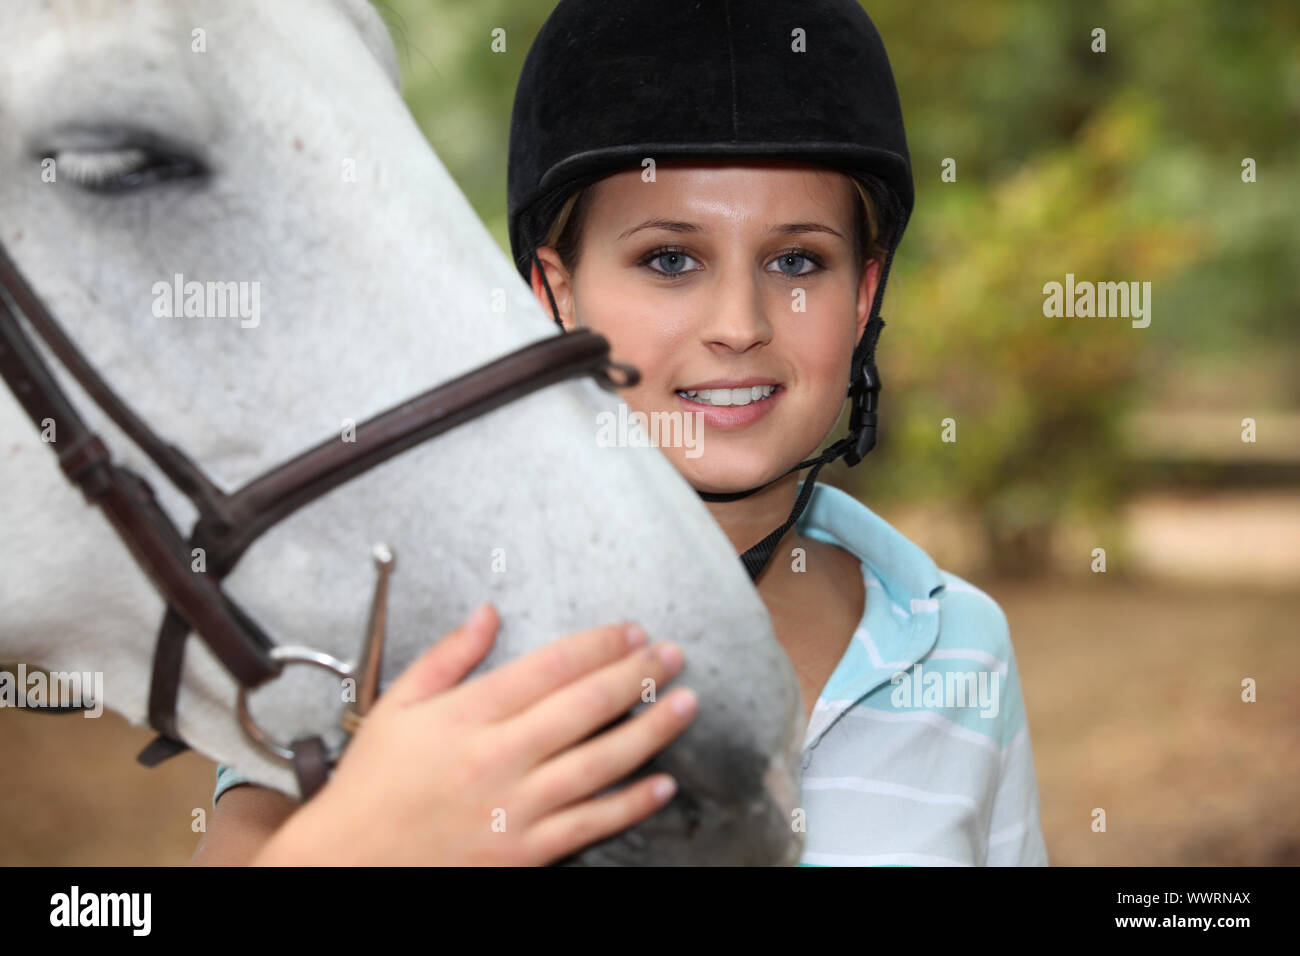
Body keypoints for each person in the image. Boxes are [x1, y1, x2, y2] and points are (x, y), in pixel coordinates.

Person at [196, 0, 1048, 866]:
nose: (739, 324)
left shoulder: (958, 645)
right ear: (556, 293)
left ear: (862, 297)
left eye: (796, 261)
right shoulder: (398, 626)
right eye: (670, 259)